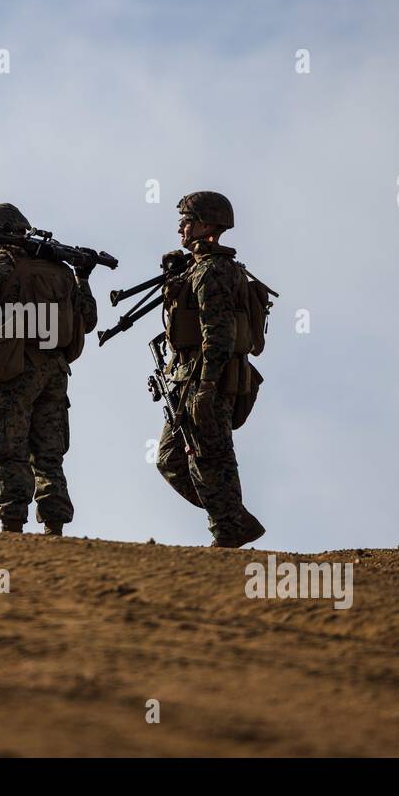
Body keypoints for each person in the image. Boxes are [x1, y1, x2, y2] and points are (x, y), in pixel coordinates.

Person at [0, 203, 97, 536]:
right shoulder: (61, 271)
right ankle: (54, 526)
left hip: (10, 371)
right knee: (49, 453)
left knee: (5, 450)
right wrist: (82, 277)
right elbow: (88, 320)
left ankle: (12, 526)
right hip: (54, 374)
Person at [156, 191, 265, 548]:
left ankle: (227, 528)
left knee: (209, 456)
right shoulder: (198, 269)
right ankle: (233, 518)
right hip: (188, 379)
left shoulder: (212, 271)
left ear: (206, 225)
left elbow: (217, 333)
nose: (181, 229)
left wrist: (206, 385)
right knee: (172, 459)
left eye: (186, 221)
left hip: (206, 380)